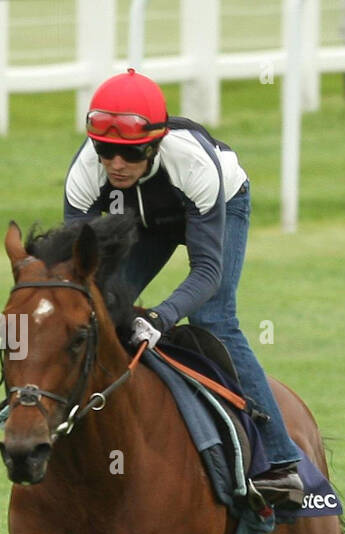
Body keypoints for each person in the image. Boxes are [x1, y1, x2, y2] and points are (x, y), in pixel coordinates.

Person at [64, 69, 302, 508]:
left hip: (220, 205)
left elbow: (207, 272)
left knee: (214, 318)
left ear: (155, 143)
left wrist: (160, 316)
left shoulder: (191, 163)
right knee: (102, 305)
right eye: (106, 152)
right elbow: (75, 272)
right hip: (149, 217)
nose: (116, 165)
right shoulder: (86, 172)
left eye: (130, 153)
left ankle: (280, 465)